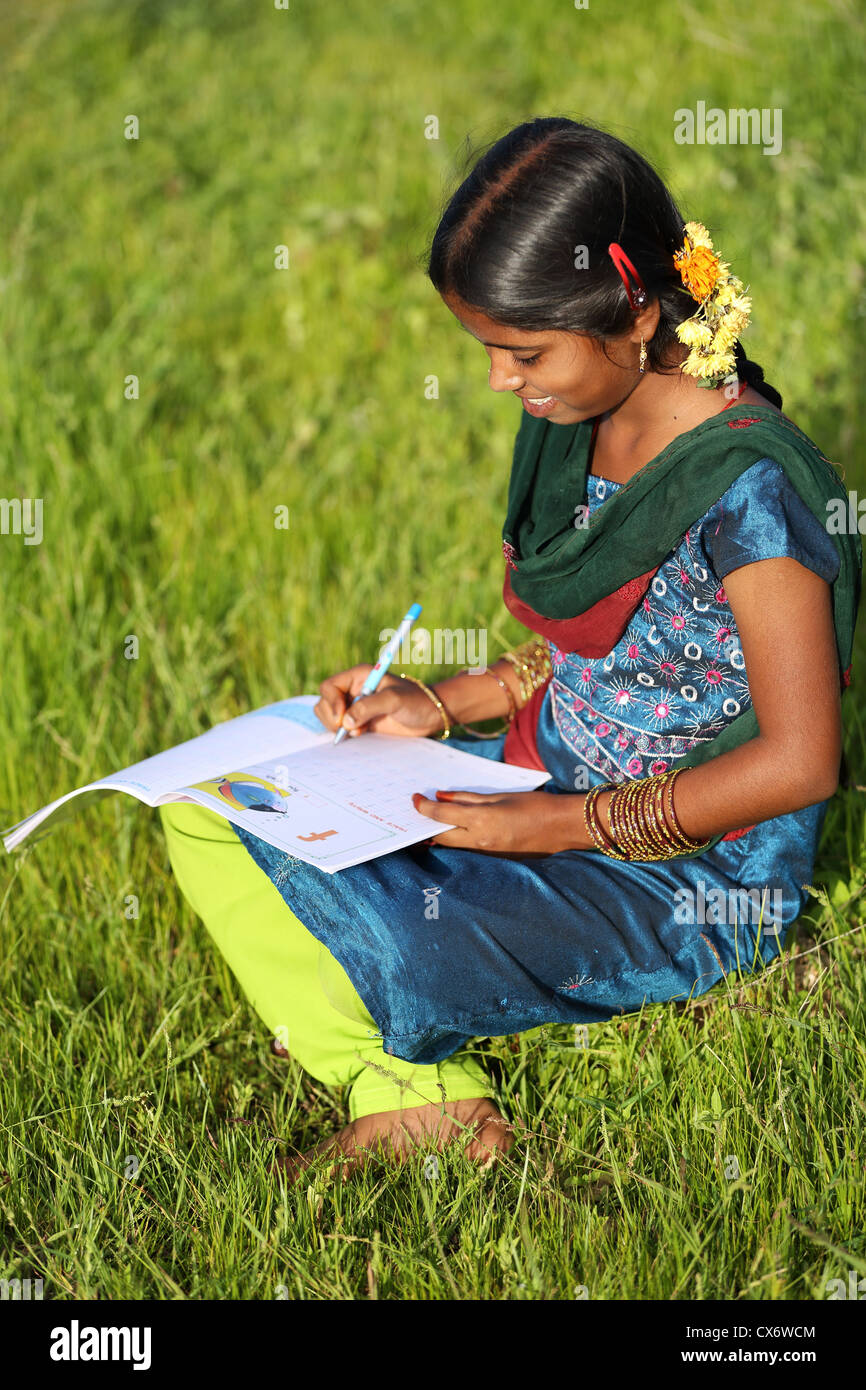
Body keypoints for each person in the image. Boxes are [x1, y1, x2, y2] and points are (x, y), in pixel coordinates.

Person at [159, 117, 861, 1182]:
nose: (497, 381)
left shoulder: (749, 493)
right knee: (210, 802)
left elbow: (800, 761)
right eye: (488, 348)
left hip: (684, 866)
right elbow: (595, 660)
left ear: (630, 308)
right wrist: (438, 705)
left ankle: (405, 1086)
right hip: (539, 773)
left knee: (401, 939)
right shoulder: (584, 409)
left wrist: (556, 826)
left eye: (520, 351)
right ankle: (415, 1088)